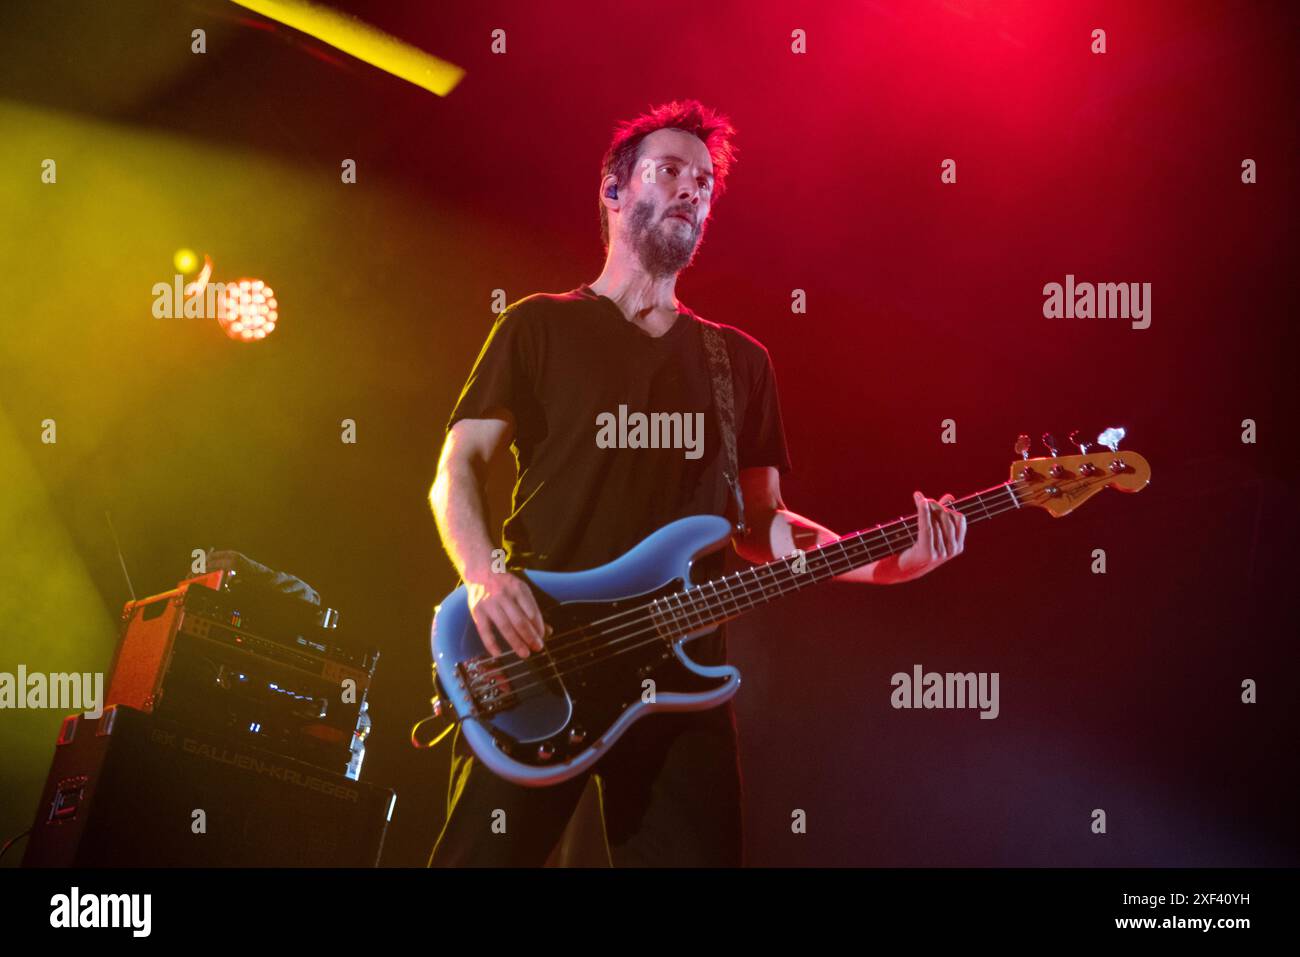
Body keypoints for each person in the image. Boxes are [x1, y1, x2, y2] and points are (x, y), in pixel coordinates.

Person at [427, 99, 967, 867]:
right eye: (670, 171)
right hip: (538, 650)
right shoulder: (536, 326)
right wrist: (482, 576)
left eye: (704, 182)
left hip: (682, 686)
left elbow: (761, 522)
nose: (691, 190)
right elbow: (457, 470)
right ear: (614, 190)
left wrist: (886, 562)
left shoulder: (738, 362)